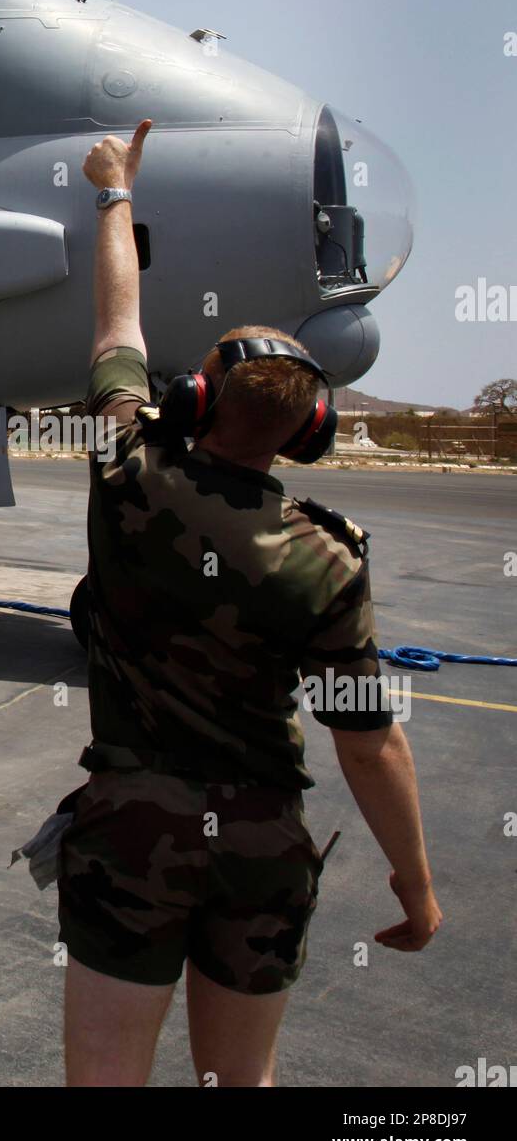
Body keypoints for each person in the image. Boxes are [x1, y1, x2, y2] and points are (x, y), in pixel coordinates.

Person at [55, 118, 442, 1087]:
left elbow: (115, 325)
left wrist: (113, 191)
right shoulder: (326, 558)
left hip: (132, 831)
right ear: (308, 430)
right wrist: (416, 883)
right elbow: (367, 739)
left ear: (194, 399)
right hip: (263, 845)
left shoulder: (129, 472)